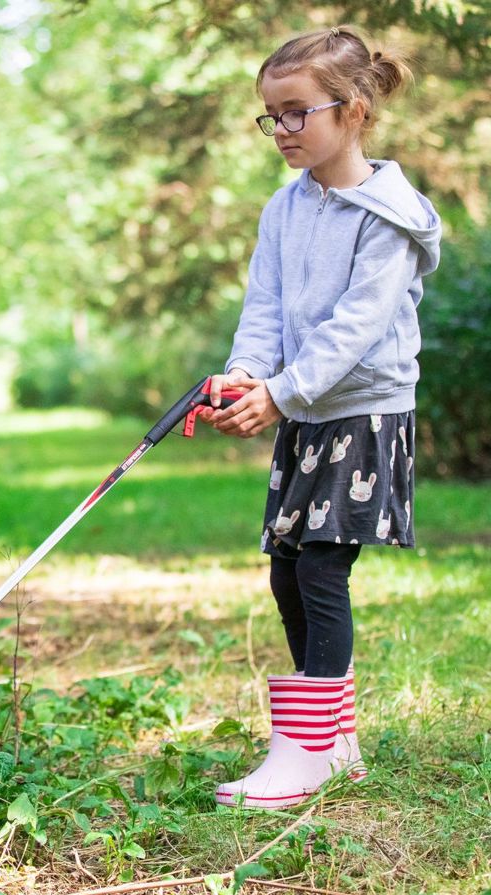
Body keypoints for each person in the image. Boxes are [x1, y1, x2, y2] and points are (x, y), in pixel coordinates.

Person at [205, 26, 441, 809]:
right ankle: (330, 743)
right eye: (270, 116)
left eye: (297, 112)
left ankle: (303, 752)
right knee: (285, 568)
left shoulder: (389, 213)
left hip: (365, 413)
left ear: (356, 111)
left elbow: (356, 327)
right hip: (306, 410)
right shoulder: (287, 206)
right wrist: (247, 374)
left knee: (321, 567)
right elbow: (266, 307)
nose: (281, 131)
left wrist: (282, 392)